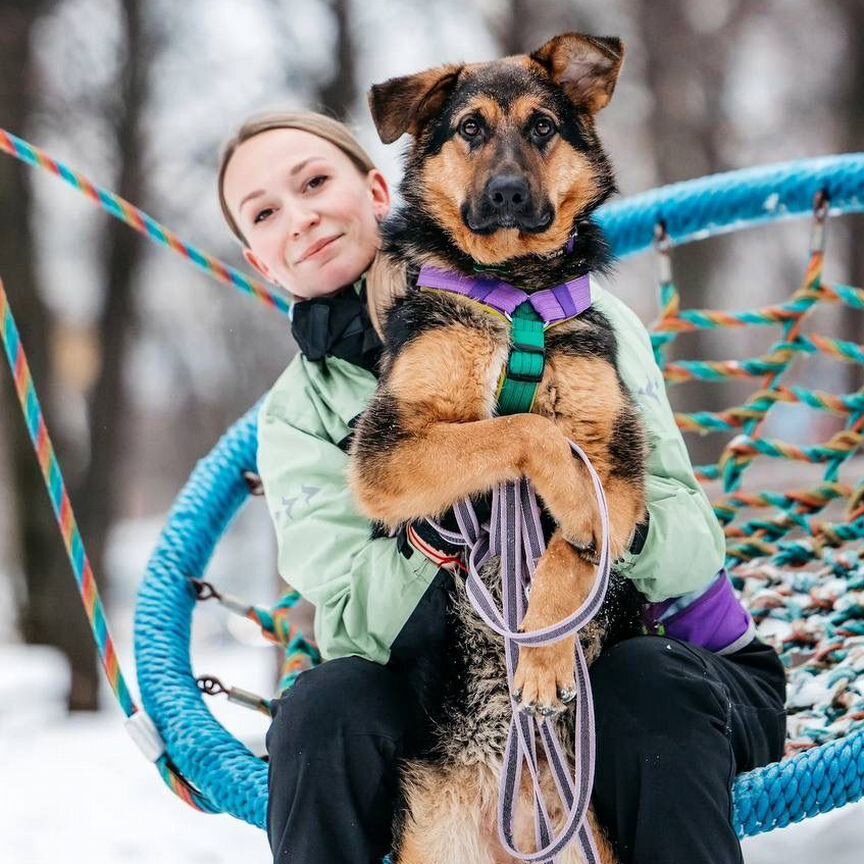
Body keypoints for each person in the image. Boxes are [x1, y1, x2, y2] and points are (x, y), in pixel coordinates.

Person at [218, 110, 786, 864]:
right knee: (324, 709)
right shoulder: (298, 413)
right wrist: (460, 488)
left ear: (383, 189)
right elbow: (352, 626)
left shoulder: (569, 310)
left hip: (658, 672)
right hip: (456, 712)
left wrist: (591, 517)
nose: (301, 217)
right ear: (259, 260)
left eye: (315, 182)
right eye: (264, 213)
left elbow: (690, 547)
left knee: (643, 685)